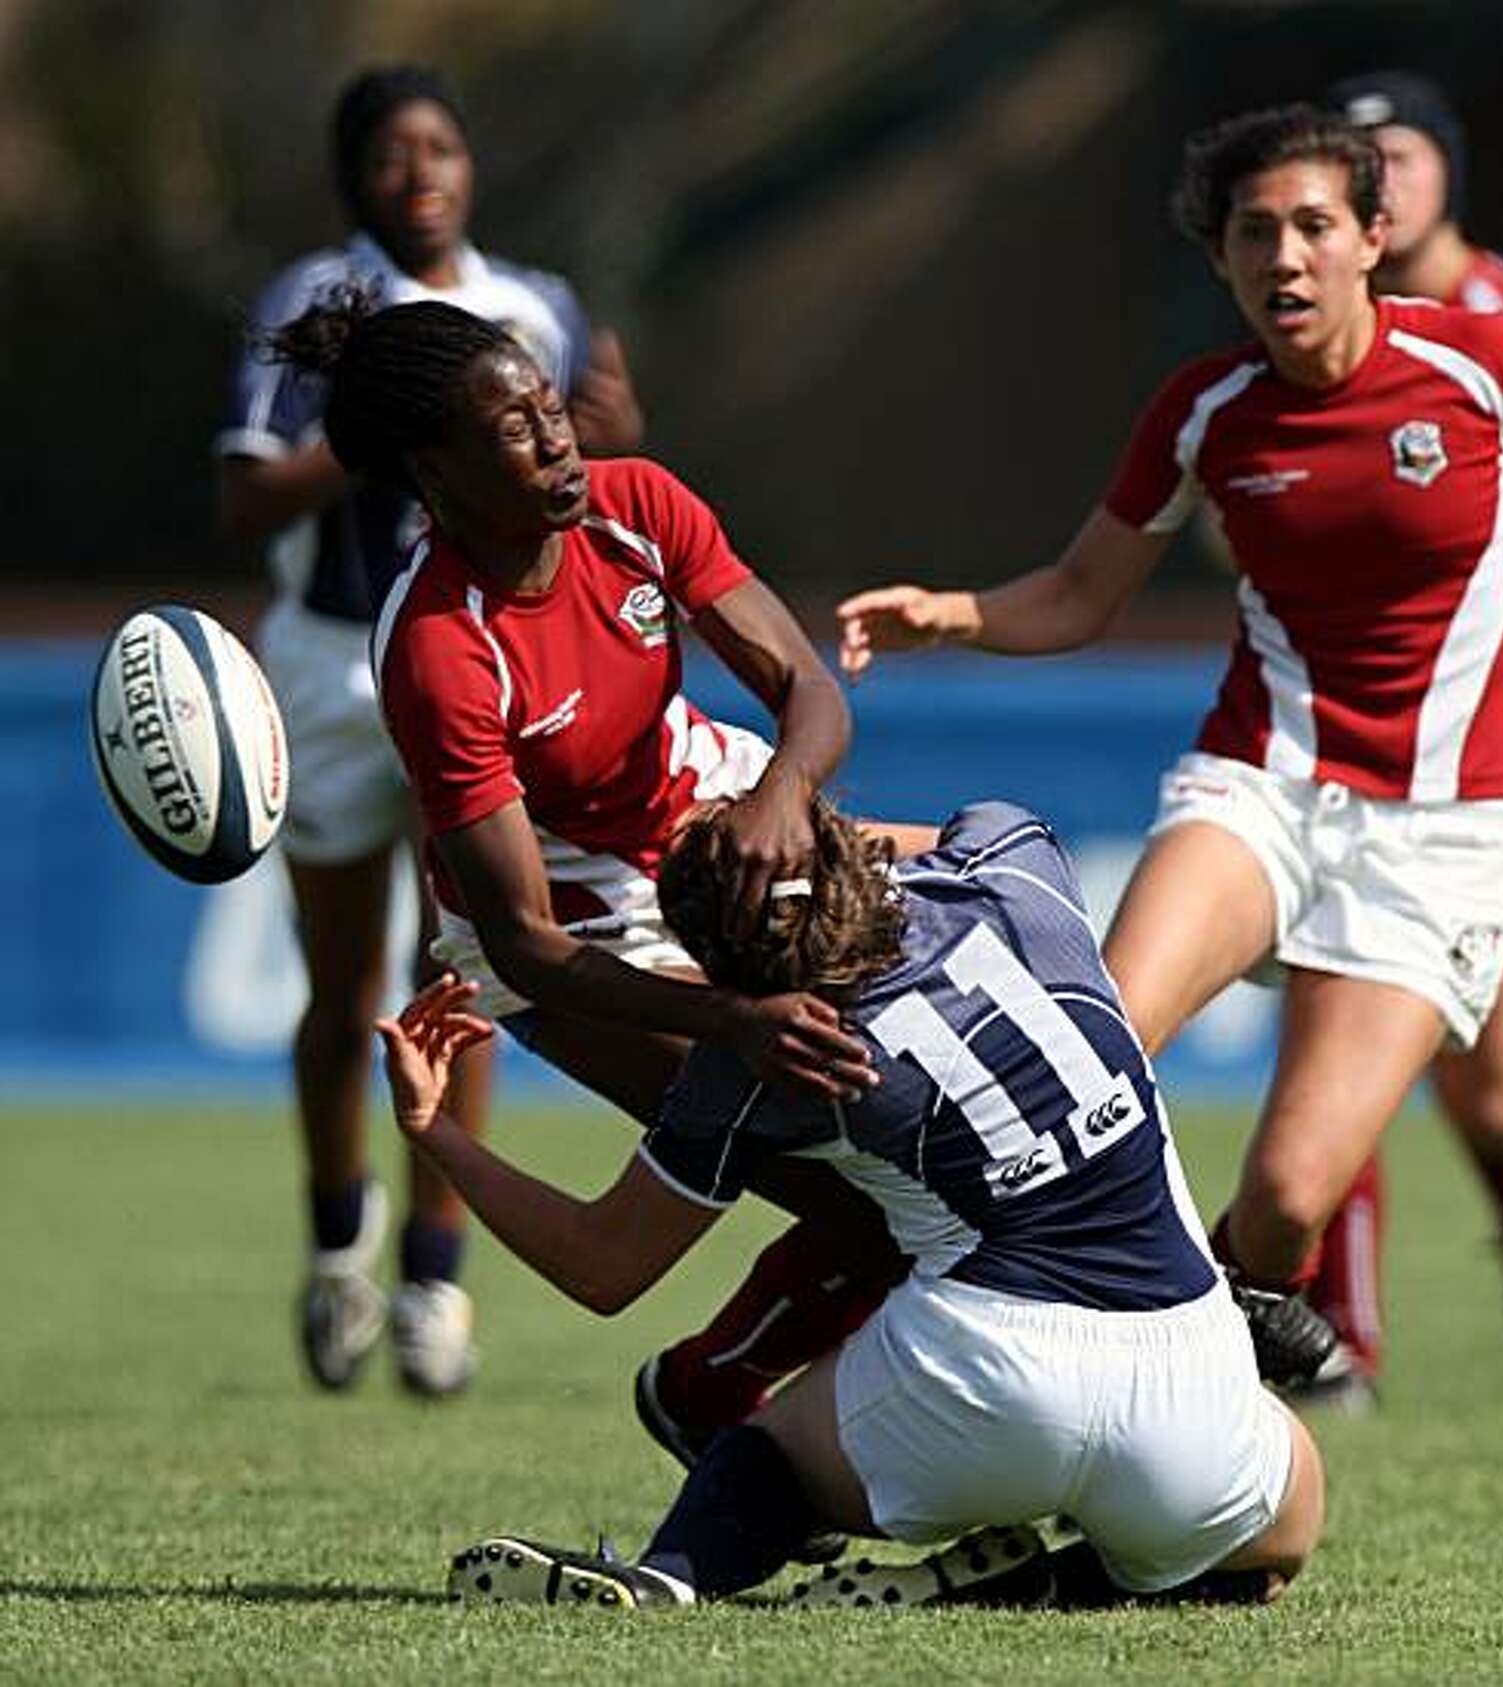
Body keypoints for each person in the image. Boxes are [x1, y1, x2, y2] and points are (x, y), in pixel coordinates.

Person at [834, 106, 1503, 1408]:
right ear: (1224, 261)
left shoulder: (1489, 362)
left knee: (1291, 1198)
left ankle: (1206, 1332)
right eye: (1255, 234)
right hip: (1260, 784)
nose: (1287, 259)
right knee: (1090, 1043)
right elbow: (1084, 592)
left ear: (1374, 238)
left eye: (1314, 227)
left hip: (1446, 831)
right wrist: (959, 614)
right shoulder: (1205, 409)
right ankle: (1015, 1342)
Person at [263, 290, 915, 1475]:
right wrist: (729, 1020)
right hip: (576, 934)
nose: (556, 440)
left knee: (993, 885)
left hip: (717, 815)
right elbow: (519, 940)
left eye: (551, 407)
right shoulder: (437, 648)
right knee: (863, 1205)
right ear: (436, 468)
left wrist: (777, 800)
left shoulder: (637, 504)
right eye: (515, 428)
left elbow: (809, 692)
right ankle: (710, 1387)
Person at [377, 797, 1324, 1611]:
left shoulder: (754, 1062)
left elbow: (601, 1263)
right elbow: (944, 834)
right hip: (1185, 1365)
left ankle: (674, 1573)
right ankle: (1048, 1586)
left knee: (771, 1453)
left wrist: (437, 1131)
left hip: (985, 1380)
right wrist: (798, 827)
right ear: (842, 843)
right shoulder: (1015, 868)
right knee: (1288, 1522)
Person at [213, 64, 645, 1396]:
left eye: (442, 147)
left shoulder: (537, 307)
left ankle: (435, 1277)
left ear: (470, 167)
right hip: (338, 664)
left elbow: (594, 456)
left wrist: (609, 427)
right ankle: (339, 1239)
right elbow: (243, 496)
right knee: (343, 989)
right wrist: (379, 423)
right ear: (357, 177)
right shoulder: (314, 304)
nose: (422, 172)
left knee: (459, 973)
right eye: (392, 153)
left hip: (477, 659)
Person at [1272, 69, 1503, 1396]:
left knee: (1487, 1086)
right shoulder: (1302, 328)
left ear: (1444, 175)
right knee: (1336, 1033)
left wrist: (1453, 529)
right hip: (1351, 749)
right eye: (1356, 155)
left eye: (1404, 151)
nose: (1383, 171)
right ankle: (1335, 1344)